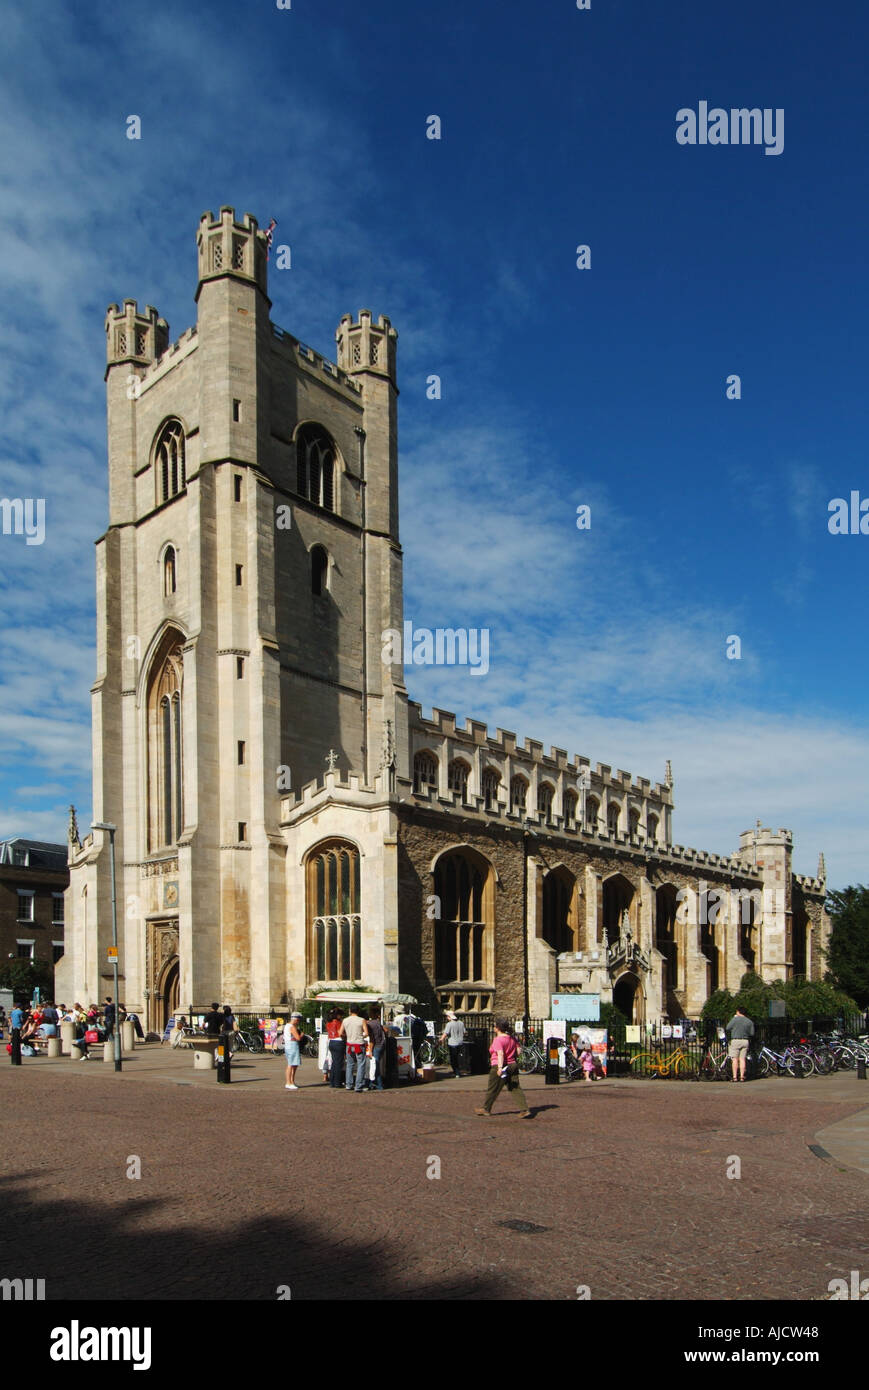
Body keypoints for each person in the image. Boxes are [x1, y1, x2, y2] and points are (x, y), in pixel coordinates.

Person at [475, 1018, 532, 1118]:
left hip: (499, 1065)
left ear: (497, 1028)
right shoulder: (512, 1038)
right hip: (512, 1065)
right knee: (515, 1088)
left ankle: (486, 1109)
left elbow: (500, 1053)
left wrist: (500, 1068)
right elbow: (518, 1051)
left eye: (494, 1026)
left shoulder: (498, 1040)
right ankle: (524, 1109)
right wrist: (512, 1057)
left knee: (493, 1088)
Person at [340, 1002, 369, 1091]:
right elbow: (366, 1033)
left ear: (350, 1010)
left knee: (350, 1064)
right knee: (361, 1064)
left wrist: (347, 1036)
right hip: (359, 1044)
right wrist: (361, 1036)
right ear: (358, 1011)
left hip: (349, 1044)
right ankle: (358, 1085)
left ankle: (349, 1084)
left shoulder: (345, 1020)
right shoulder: (361, 1020)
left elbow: (340, 1033)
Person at [726, 1006, 755, 1081]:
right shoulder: (749, 1021)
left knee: (734, 1059)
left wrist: (734, 1018)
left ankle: (735, 1077)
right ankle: (742, 1077)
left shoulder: (735, 1019)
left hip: (735, 1040)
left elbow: (728, 1027)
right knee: (742, 1059)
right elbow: (752, 1033)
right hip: (745, 1041)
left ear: (738, 1012)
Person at [366, 1004, 386, 1092]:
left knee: (374, 1066)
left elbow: (371, 1039)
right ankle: (374, 1083)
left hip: (376, 1046)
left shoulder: (369, 1024)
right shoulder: (378, 1023)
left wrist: (370, 1049)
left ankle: (379, 1084)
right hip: (381, 1045)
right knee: (376, 1065)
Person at [440, 1011, 465, 1078]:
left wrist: (441, 1039)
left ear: (449, 1017)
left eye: (447, 1017)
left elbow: (445, 1033)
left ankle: (456, 1072)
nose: (447, 1018)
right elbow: (465, 1032)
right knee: (458, 1057)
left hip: (452, 1043)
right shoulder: (461, 1023)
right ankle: (458, 1071)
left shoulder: (449, 1024)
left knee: (453, 1059)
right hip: (460, 1043)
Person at [325, 1008, 345, 1089]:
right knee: (338, 1064)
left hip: (331, 1042)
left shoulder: (328, 1023)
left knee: (334, 1063)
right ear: (338, 1015)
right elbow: (341, 1033)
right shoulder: (338, 1022)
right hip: (338, 1042)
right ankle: (337, 1082)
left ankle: (332, 1081)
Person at [283, 1012, 303, 1090]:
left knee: (293, 1064)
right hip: (292, 1046)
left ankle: (291, 1081)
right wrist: (302, 1035)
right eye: (298, 1020)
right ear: (296, 1019)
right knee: (291, 1065)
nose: (298, 1022)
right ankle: (289, 1082)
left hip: (288, 1045)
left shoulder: (287, 1026)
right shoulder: (292, 1027)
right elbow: (298, 1038)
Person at [9, 1000, 24, 1066]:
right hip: (18, 1026)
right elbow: (21, 1020)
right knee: (18, 1042)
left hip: (13, 1026)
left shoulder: (13, 1012)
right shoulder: (21, 1012)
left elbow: (11, 1019)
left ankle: (14, 1059)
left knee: (14, 1041)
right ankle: (17, 1060)